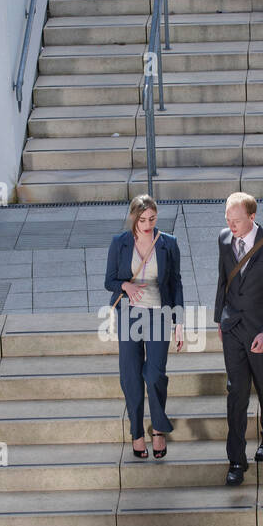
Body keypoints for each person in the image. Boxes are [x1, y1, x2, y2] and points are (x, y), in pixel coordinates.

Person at [214, 192, 263, 485]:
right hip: (233, 328)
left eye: (237, 220)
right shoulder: (223, 239)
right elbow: (223, 280)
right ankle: (236, 461)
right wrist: (219, 318)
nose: (231, 225)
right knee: (236, 392)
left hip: (262, 330)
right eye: (228, 220)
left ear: (252, 217)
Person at [105, 195, 185, 460]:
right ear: (133, 218)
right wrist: (126, 286)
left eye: (152, 219)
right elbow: (110, 280)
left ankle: (159, 430)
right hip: (129, 315)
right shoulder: (120, 243)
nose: (148, 224)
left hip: (159, 315)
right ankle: (137, 433)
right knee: (130, 377)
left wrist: (179, 323)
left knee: (154, 375)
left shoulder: (168, 244)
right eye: (142, 220)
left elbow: (176, 284)